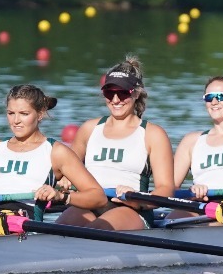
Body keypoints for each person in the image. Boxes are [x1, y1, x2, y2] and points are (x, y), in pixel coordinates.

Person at [58, 57, 174, 230]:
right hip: (89, 204)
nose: (115, 99)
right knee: (58, 230)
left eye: (122, 93)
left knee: (96, 231)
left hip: (131, 209)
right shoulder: (89, 129)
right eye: (109, 93)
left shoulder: (153, 134)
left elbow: (166, 190)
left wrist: (138, 201)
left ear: (135, 93)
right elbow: (64, 172)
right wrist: (65, 178)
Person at [0, 84, 105, 211]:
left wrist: (61, 196)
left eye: (24, 114)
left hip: (22, 225)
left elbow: (98, 197)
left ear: (40, 114)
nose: (16, 121)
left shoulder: (55, 152)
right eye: (11, 113)